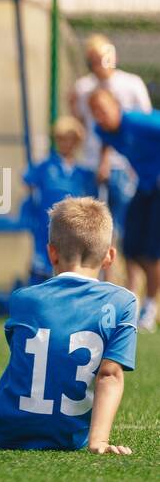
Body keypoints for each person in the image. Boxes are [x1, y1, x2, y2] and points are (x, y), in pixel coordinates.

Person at [0, 197, 135, 454]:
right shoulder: (124, 302)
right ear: (110, 257)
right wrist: (99, 442)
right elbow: (109, 375)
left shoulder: (24, 298)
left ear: (51, 252)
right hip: (70, 438)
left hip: (3, 430)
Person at [71, 33, 152, 285]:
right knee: (96, 232)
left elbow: (146, 126)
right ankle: (102, 286)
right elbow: (88, 127)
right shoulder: (84, 89)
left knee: (131, 235)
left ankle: (133, 292)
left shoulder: (131, 87)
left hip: (129, 171)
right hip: (95, 167)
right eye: (94, 59)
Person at [87, 88, 160, 331]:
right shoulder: (102, 130)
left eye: (104, 110)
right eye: (95, 112)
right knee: (130, 247)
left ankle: (151, 307)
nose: (100, 116)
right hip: (144, 185)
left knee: (151, 252)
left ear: (117, 105)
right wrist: (103, 162)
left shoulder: (140, 122)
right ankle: (133, 302)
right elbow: (106, 143)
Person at [22, 117, 96, 285]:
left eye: (70, 139)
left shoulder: (83, 172)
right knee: (42, 267)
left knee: (70, 268)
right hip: (46, 225)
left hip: (73, 228)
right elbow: (28, 181)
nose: (66, 144)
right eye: (62, 139)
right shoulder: (46, 166)